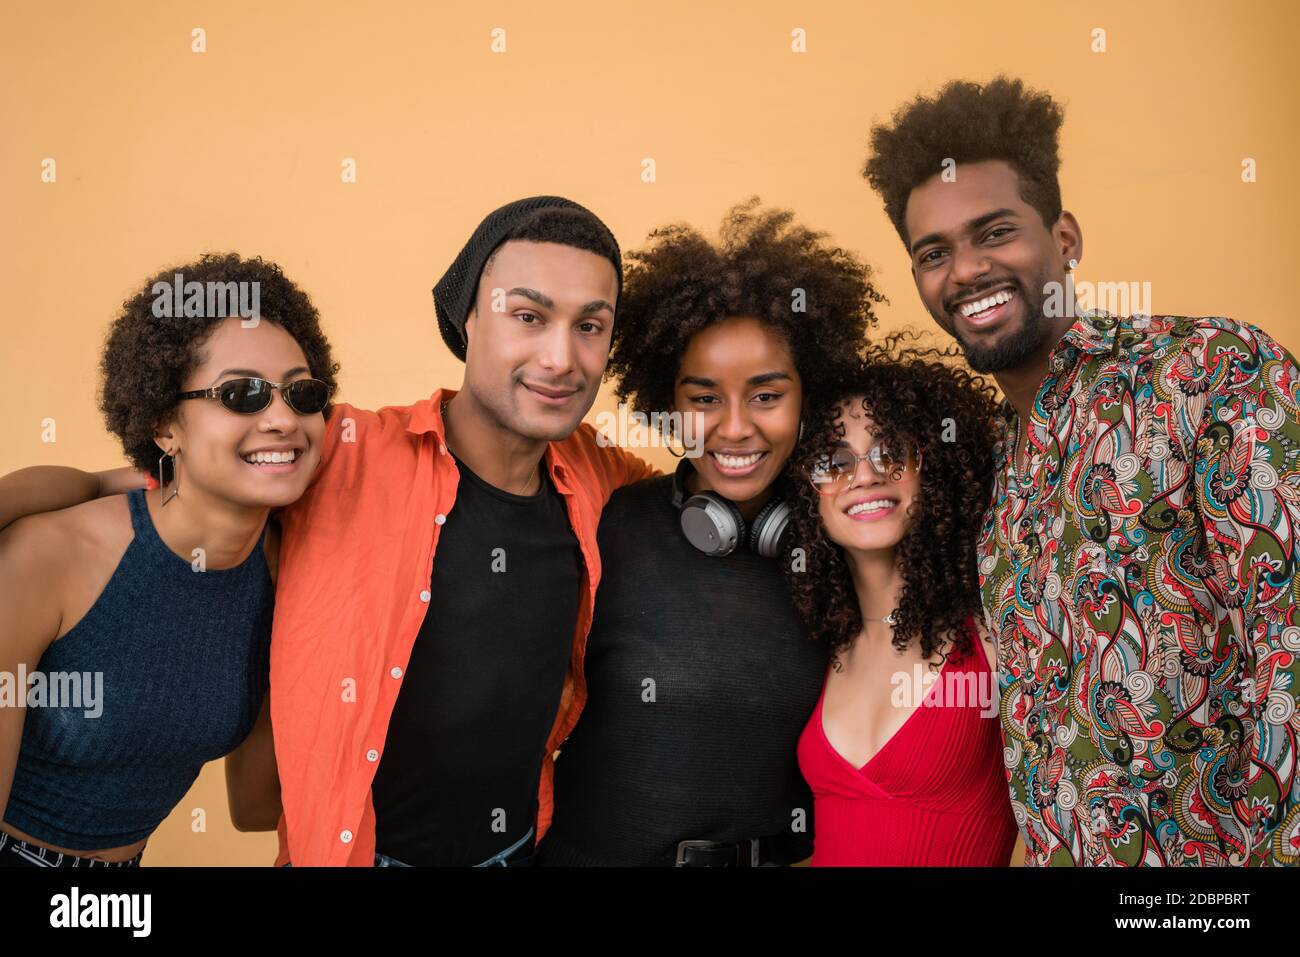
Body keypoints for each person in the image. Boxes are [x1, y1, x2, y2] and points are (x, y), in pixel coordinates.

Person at [0, 197, 657, 867]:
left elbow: (712, 484)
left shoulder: (607, 481)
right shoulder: (345, 450)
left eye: (591, 326)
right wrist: (76, 489)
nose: (560, 356)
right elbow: (186, 472)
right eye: (528, 316)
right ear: (468, 317)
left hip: (520, 849)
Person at [863, 74, 1300, 865]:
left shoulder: (1209, 372)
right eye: (934, 253)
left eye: (994, 232)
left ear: (1063, 237)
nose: (964, 271)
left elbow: (1291, 638)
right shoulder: (986, 468)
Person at [537, 198, 882, 866]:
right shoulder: (607, 525)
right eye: (702, 398)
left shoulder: (849, 545)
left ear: (808, 394)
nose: (732, 428)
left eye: (766, 394)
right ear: (667, 404)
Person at [0, 252, 339, 866]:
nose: (284, 418)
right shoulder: (48, 557)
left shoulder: (288, 572)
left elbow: (256, 807)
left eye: (303, 392)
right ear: (164, 425)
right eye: (243, 394)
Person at [786, 340, 1018, 865]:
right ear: (807, 491)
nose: (865, 475)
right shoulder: (820, 643)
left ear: (933, 469)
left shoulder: (996, 627)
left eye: (892, 452)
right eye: (833, 461)